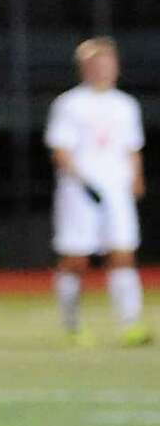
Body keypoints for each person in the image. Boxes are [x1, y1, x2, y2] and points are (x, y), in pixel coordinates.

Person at [45, 37, 150, 345]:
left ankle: (130, 324)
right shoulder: (69, 103)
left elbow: (132, 147)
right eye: (97, 64)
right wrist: (83, 182)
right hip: (79, 193)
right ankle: (72, 324)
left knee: (122, 254)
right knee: (75, 260)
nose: (104, 69)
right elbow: (60, 149)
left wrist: (136, 177)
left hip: (117, 191)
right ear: (84, 68)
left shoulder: (125, 105)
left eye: (109, 63)